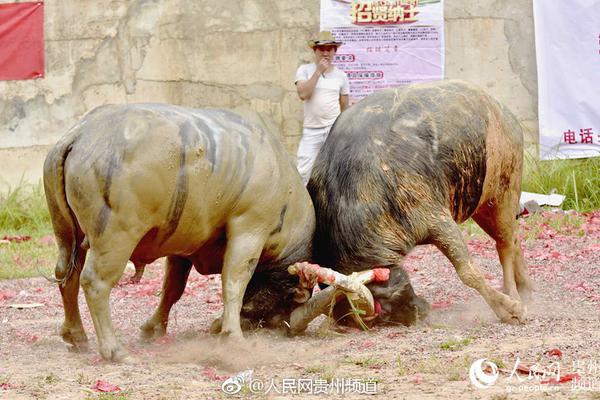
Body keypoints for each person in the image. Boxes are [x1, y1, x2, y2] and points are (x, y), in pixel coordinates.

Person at [295, 31, 350, 185]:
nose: (325, 52)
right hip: (312, 130)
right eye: (322, 49)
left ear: (335, 51)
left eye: (329, 48)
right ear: (315, 51)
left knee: (336, 171)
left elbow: (344, 105)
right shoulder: (304, 70)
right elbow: (303, 94)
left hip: (333, 130)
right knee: (303, 171)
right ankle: (303, 206)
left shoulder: (341, 76)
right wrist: (318, 72)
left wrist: (342, 130)